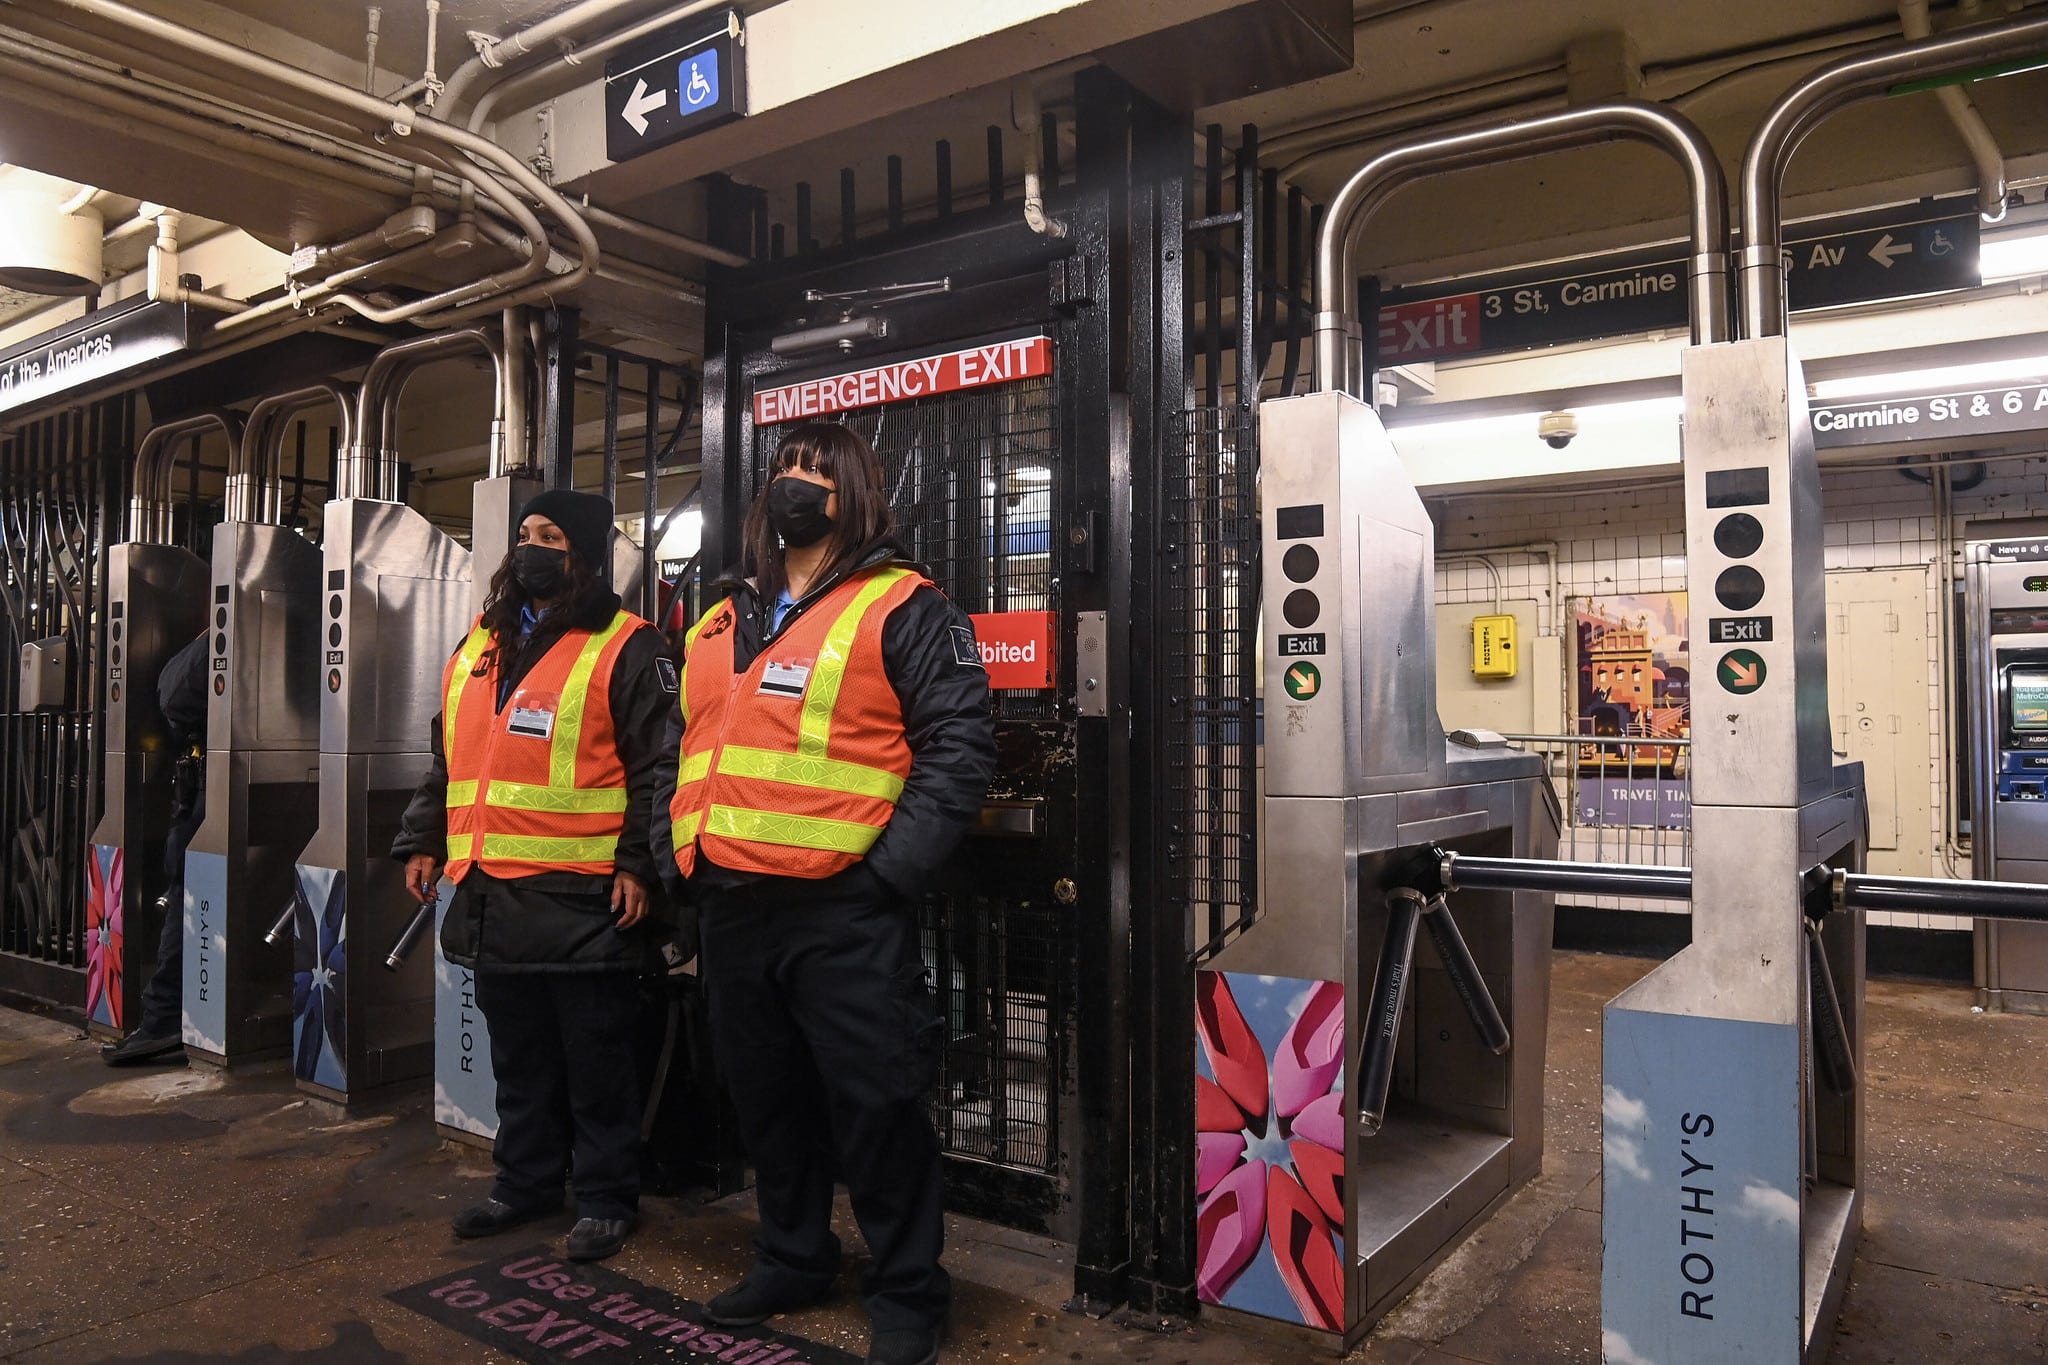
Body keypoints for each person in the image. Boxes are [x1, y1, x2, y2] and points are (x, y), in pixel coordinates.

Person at [661, 423, 996, 1365]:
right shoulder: (723, 617)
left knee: (877, 1105)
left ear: (853, 492)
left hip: (843, 909)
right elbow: (685, 750)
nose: (795, 483)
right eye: (785, 470)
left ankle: (907, 1290)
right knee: (769, 1102)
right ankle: (795, 1256)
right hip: (732, 904)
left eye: (816, 471)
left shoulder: (907, 606)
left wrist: (885, 873)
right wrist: (675, 853)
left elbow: (959, 747)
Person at [392, 489, 677, 1263]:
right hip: (492, 892)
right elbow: (451, 759)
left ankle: (608, 1197)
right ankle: (524, 1184)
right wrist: (422, 840)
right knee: (519, 1059)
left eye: (550, 535)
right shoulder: (481, 644)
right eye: (525, 534)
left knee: (596, 1061)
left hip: (586, 899)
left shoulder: (628, 645)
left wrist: (639, 864)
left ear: (582, 554)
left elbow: (659, 770)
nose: (532, 547)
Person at [102, 627, 208, 1065]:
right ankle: (175, 1014)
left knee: (187, 890)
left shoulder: (215, 634)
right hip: (210, 781)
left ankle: (167, 1015)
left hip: (203, 783)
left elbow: (173, 695)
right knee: (190, 892)